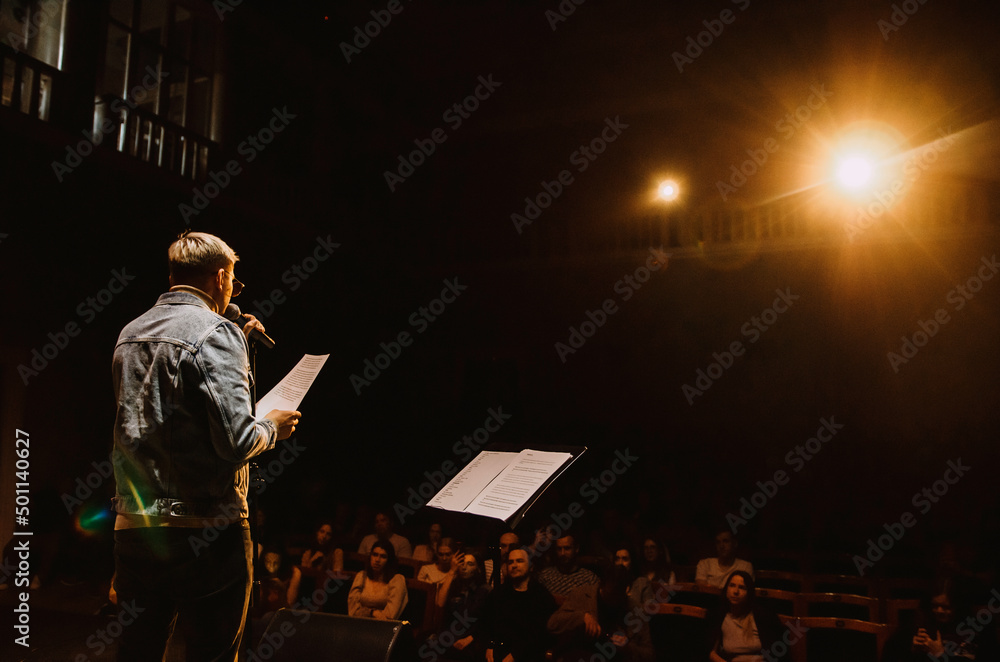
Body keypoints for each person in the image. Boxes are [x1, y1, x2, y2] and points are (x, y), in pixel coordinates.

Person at [110, 231, 301, 661]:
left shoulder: (130, 332)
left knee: (137, 652)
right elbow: (236, 441)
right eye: (234, 280)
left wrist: (239, 346)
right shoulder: (218, 332)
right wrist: (272, 427)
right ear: (220, 277)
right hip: (206, 534)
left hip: (137, 528)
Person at [548, 565, 655, 662]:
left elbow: (649, 654)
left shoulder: (634, 609)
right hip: (582, 654)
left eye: (620, 595)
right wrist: (582, 617)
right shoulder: (582, 595)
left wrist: (628, 648)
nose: (615, 600)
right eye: (611, 595)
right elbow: (552, 624)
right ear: (601, 586)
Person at [481, 548, 557, 662]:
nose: (514, 565)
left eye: (519, 561)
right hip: (498, 652)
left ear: (531, 566)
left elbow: (539, 634)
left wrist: (514, 655)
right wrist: (490, 645)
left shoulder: (541, 596)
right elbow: (486, 622)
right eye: (510, 562)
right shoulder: (499, 593)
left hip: (528, 655)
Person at [707, 570, 785, 662]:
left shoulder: (762, 615)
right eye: (732, 585)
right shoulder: (719, 615)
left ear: (749, 592)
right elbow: (711, 653)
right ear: (726, 589)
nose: (736, 591)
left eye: (742, 587)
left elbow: (779, 650)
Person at [348, 540, 409, 620]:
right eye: (375, 555)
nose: (377, 560)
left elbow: (389, 616)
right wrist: (373, 613)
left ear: (389, 560)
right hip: (359, 623)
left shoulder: (396, 580)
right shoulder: (362, 576)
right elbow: (352, 611)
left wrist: (365, 612)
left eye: (383, 556)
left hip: (383, 627)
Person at [537, 534, 600, 603]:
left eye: (567, 548)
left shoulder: (589, 578)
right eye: (559, 549)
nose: (562, 553)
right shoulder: (545, 575)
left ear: (576, 549)